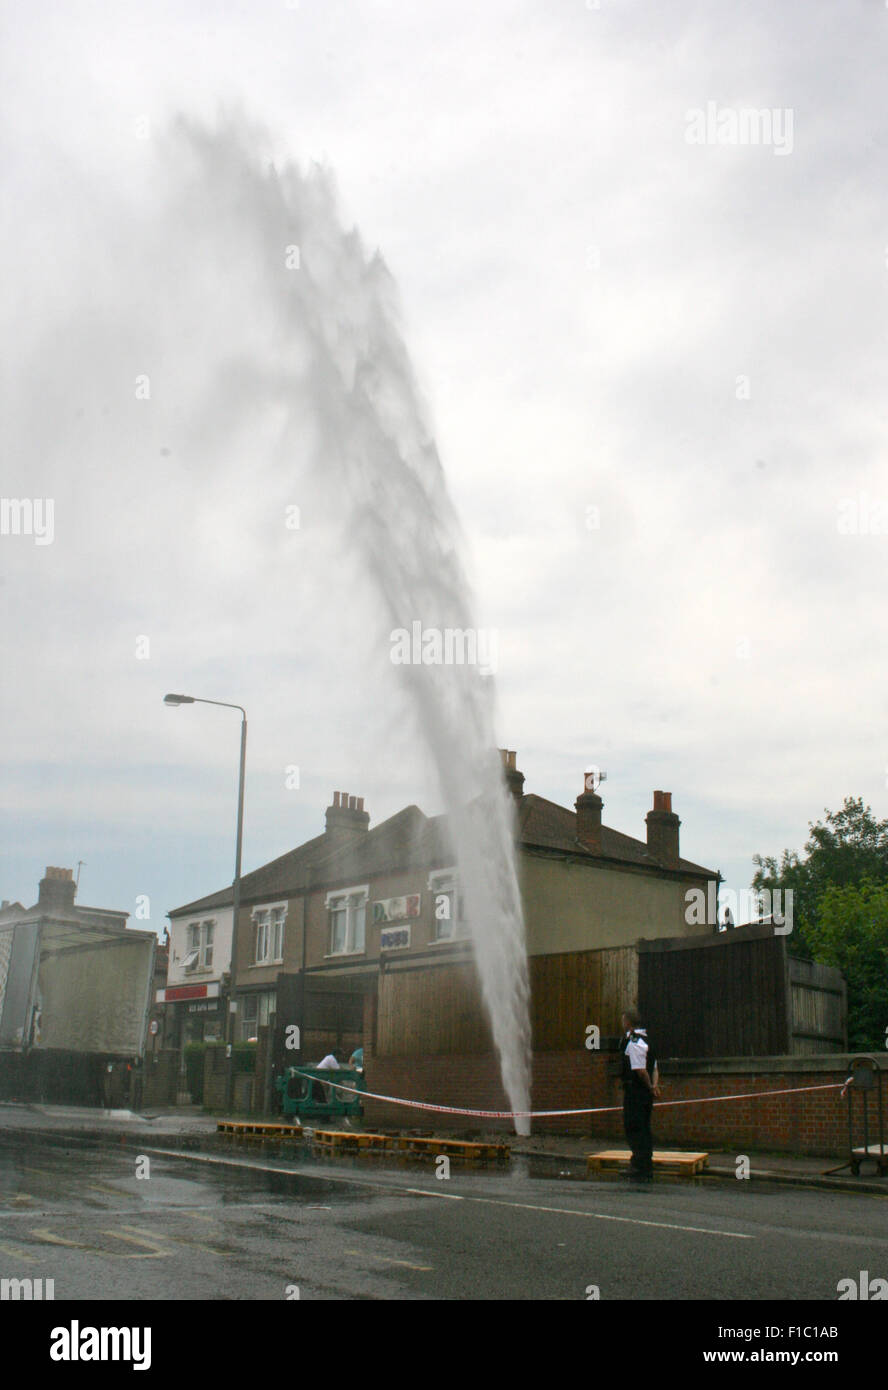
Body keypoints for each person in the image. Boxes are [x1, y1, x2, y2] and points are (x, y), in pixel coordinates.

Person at [620, 1009, 660, 1183]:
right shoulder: (647, 1040)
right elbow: (655, 1068)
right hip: (645, 1091)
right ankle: (644, 1164)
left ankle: (639, 1166)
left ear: (628, 1022)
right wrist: (655, 1086)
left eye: (623, 1020)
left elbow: (640, 1070)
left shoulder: (634, 1041)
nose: (622, 1024)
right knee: (644, 1127)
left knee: (634, 1127)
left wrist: (649, 1086)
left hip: (636, 1091)